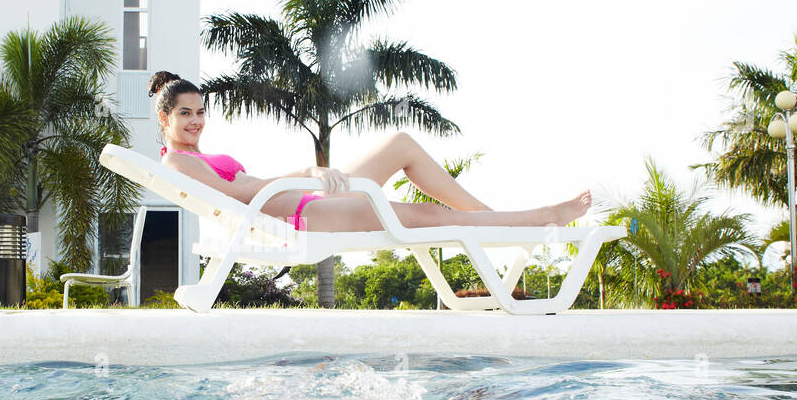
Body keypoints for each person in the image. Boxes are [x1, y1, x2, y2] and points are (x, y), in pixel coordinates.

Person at [148, 70, 591, 232]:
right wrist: (307, 170)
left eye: (200, 111)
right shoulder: (175, 161)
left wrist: (307, 178)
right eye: (185, 113)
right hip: (306, 215)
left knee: (400, 143)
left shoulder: (200, 156)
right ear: (165, 119)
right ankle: (539, 218)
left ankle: (497, 222)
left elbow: (244, 187)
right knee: (427, 217)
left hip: (310, 198)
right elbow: (235, 197)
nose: (196, 121)